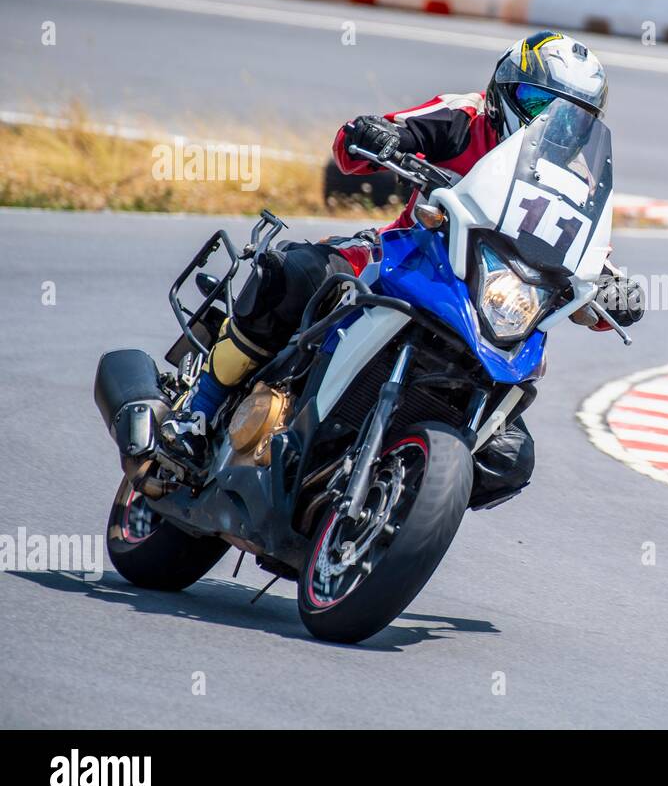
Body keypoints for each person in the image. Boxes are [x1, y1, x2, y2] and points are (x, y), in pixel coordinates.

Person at [164, 32, 642, 507]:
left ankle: (393, 502)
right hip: (405, 258)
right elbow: (361, 142)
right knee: (298, 271)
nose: (548, 120)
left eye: (570, 114)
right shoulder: (466, 118)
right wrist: (377, 134)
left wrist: (613, 288)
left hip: (493, 305)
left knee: (508, 458)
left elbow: (588, 254)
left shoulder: (578, 181)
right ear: (503, 89)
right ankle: (198, 412)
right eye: (537, 102)